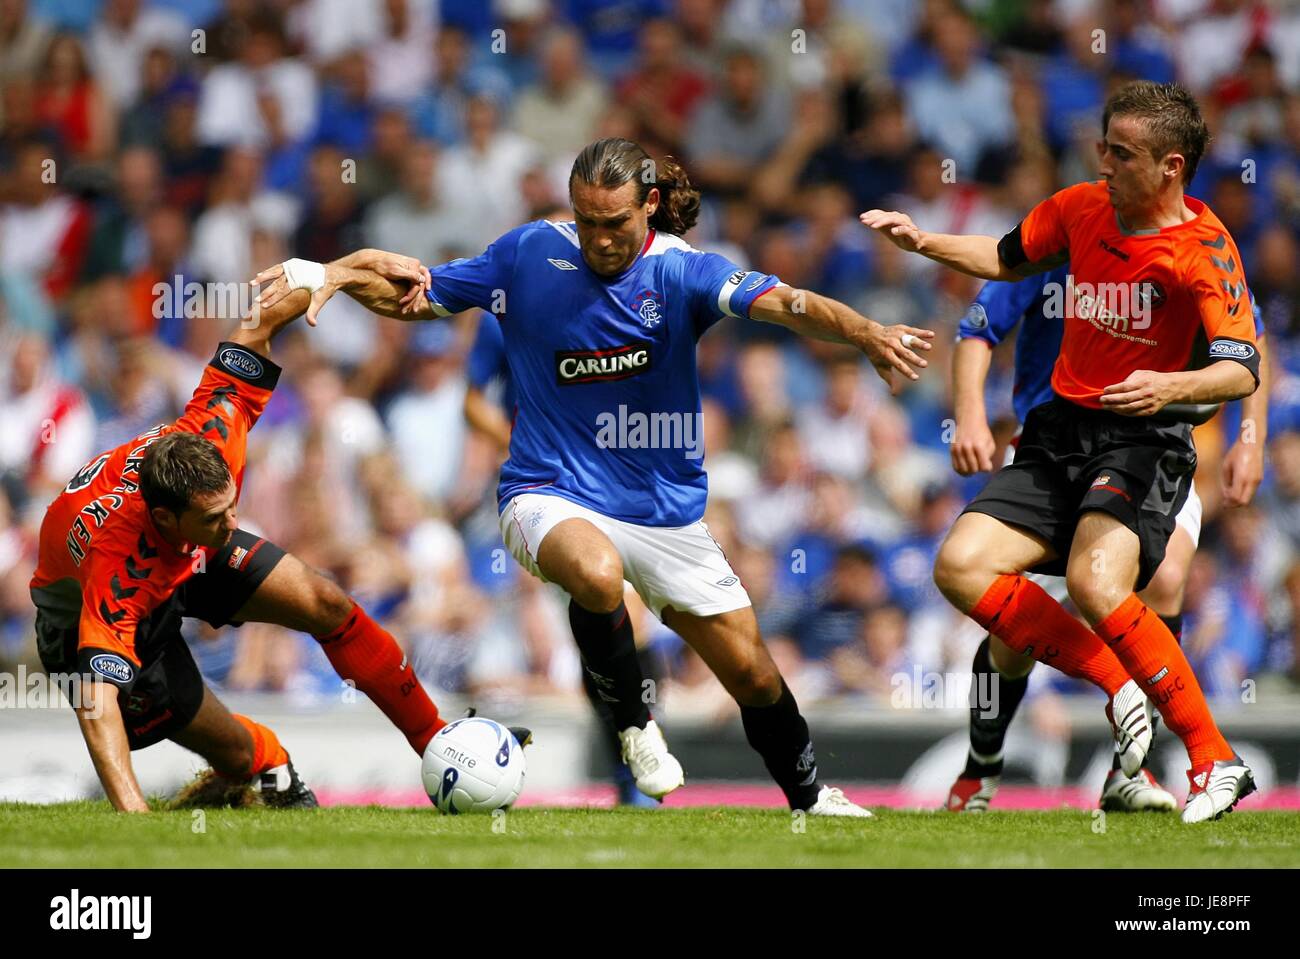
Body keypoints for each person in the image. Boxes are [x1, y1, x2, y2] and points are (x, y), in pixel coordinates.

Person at [254, 136, 935, 816]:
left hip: (664, 510)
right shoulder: (525, 254)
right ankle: (635, 726)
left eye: (615, 224)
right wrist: (334, 275)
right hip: (545, 492)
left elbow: (789, 304)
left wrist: (867, 331)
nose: (600, 239)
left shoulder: (683, 272)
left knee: (753, 672)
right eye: (587, 223)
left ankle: (812, 799)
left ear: (651, 205)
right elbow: (415, 297)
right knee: (598, 572)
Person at [861, 81, 1260, 823]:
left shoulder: (1204, 251)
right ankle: (1117, 688)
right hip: (1054, 434)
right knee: (960, 565)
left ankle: (1212, 759)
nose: (1103, 163)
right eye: (1103, 147)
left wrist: (1174, 386)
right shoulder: (1079, 210)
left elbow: (1243, 363)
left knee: (1107, 581)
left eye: (1122, 153)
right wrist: (924, 242)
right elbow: (1005, 258)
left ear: (1171, 166)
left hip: (1141, 439)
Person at [29, 253, 461, 813]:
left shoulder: (214, 431)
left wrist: (346, 271)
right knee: (231, 753)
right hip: (85, 618)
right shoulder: (120, 569)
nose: (233, 523)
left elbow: (258, 321)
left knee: (325, 601)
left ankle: (439, 745)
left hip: (190, 550)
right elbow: (96, 698)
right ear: (166, 518)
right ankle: (268, 762)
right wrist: (131, 816)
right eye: (217, 518)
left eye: (231, 507)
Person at [945, 264, 1268, 813]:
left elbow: (1248, 340)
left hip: (1151, 449)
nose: (1110, 177)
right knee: (1011, 637)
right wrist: (971, 412)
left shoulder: (1189, 245)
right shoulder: (1061, 235)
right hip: (1046, 451)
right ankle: (982, 761)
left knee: (1164, 581)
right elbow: (979, 327)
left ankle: (1132, 770)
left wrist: (1250, 437)